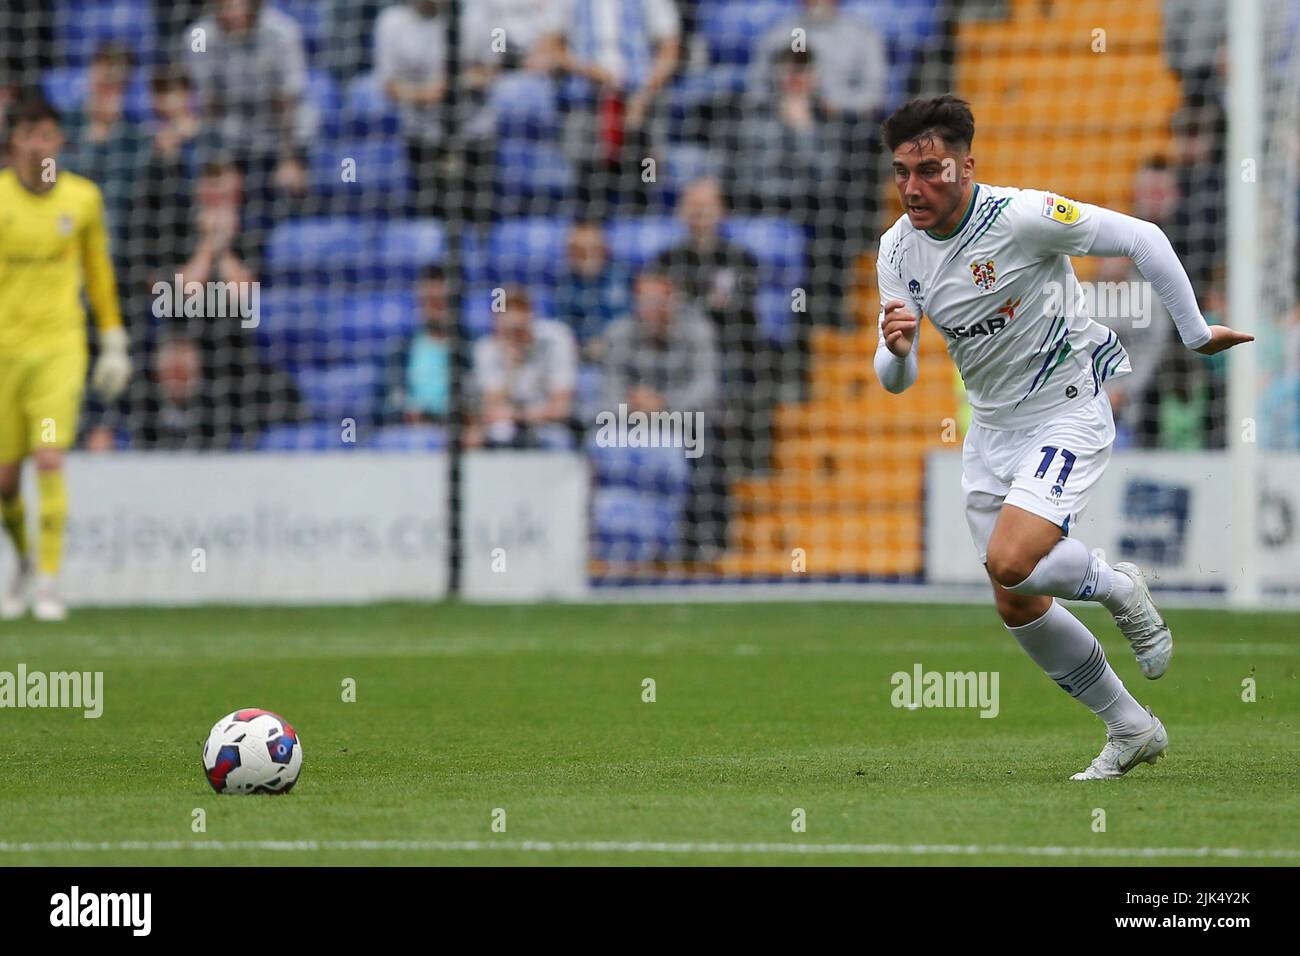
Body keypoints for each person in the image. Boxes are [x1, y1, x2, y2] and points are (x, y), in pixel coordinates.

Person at [874, 95, 1252, 779]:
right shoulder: (897, 250)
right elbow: (893, 379)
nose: (914, 188)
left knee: (1013, 559)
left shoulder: (1022, 217)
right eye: (902, 172)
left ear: (966, 166)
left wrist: (1197, 333)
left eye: (929, 170)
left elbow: (1144, 238)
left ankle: (1114, 587)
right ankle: (1131, 727)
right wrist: (896, 350)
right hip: (992, 432)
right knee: (1012, 594)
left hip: (1067, 409)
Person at [0, 96, 132, 620]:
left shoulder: (82, 200)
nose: (41, 146)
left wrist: (114, 338)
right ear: (15, 143)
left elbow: (99, 273)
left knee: (50, 458)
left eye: (49, 135)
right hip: (5, 353)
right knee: (5, 481)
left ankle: (50, 584)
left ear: (60, 143)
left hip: (59, 348)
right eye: (31, 135)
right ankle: (27, 563)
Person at [653, 177, 770, 473]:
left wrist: (696, 305)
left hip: (728, 352)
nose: (699, 212)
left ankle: (743, 471)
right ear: (680, 212)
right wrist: (708, 304)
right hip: (678, 355)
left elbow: (742, 314)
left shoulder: (741, 259)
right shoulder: (665, 261)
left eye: (706, 206)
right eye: (692, 205)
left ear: (722, 212)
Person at [602, 268, 720, 559]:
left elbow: (706, 388)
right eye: (644, 301)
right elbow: (607, 395)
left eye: (657, 301)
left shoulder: (697, 329)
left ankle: (698, 541)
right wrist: (633, 408)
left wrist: (664, 404)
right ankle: (613, 540)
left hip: (681, 420)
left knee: (702, 439)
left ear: (672, 301)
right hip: (629, 422)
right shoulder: (619, 333)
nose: (651, 309)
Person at [470, 288, 578, 449]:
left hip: (548, 425)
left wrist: (519, 416)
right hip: (508, 426)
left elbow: (561, 408)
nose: (514, 337)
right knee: (499, 433)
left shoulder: (556, 339)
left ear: (530, 318)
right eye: (508, 332)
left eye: (519, 331)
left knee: (558, 439)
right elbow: (492, 408)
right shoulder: (487, 349)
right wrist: (511, 367)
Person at [373, 0, 448, 217]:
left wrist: (457, 83)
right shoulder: (390, 22)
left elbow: (491, 67)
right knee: (426, 210)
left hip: (467, 133)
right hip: (414, 134)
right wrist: (427, 94)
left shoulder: (470, 17)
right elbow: (389, 86)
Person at [385, 264, 452, 425]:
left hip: (454, 428)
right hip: (413, 430)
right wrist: (407, 408)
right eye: (429, 302)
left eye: (440, 302)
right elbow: (391, 398)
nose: (435, 308)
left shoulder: (468, 347)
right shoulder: (402, 349)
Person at [555, 221, 631, 362]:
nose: (588, 257)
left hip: (619, 350)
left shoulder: (621, 277)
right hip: (577, 354)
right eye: (580, 252)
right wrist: (583, 346)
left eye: (595, 250)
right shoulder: (564, 283)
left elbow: (629, 318)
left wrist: (607, 341)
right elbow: (563, 326)